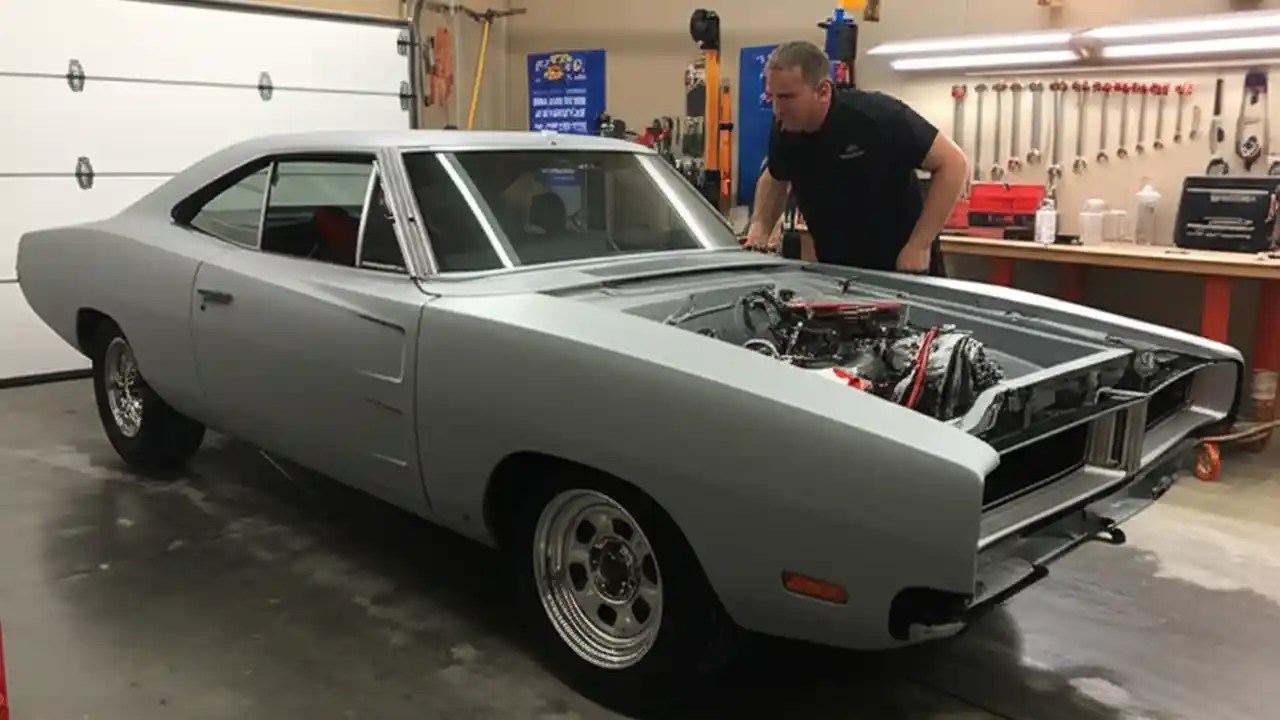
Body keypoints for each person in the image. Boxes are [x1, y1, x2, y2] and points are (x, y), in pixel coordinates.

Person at [743, 41, 968, 276]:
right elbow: (776, 175)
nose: (778, 110)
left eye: (787, 97)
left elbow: (953, 163)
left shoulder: (877, 116)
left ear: (823, 91)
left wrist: (919, 245)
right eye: (772, 98)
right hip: (838, 270)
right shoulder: (786, 127)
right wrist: (760, 230)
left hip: (902, 267)